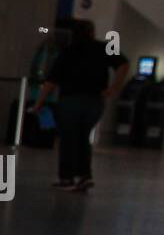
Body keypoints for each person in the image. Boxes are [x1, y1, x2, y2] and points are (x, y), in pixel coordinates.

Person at [28, 18, 129, 192]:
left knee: (68, 139)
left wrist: (38, 104)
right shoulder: (103, 48)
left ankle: (67, 178)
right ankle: (84, 176)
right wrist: (113, 88)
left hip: (71, 101)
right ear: (92, 32)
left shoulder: (68, 52)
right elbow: (124, 64)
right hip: (95, 102)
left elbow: (51, 82)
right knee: (83, 137)